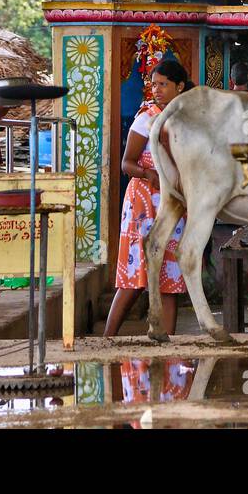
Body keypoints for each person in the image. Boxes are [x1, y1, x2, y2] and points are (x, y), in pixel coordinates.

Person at [105, 59, 194, 336]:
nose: (157, 90)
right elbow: (126, 164)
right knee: (135, 278)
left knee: (170, 280)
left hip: (173, 203)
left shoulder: (186, 119)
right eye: (154, 84)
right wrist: (149, 174)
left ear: (179, 87)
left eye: (163, 84)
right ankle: (107, 340)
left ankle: (166, 345)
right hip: (143, 203)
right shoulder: (147, 117)